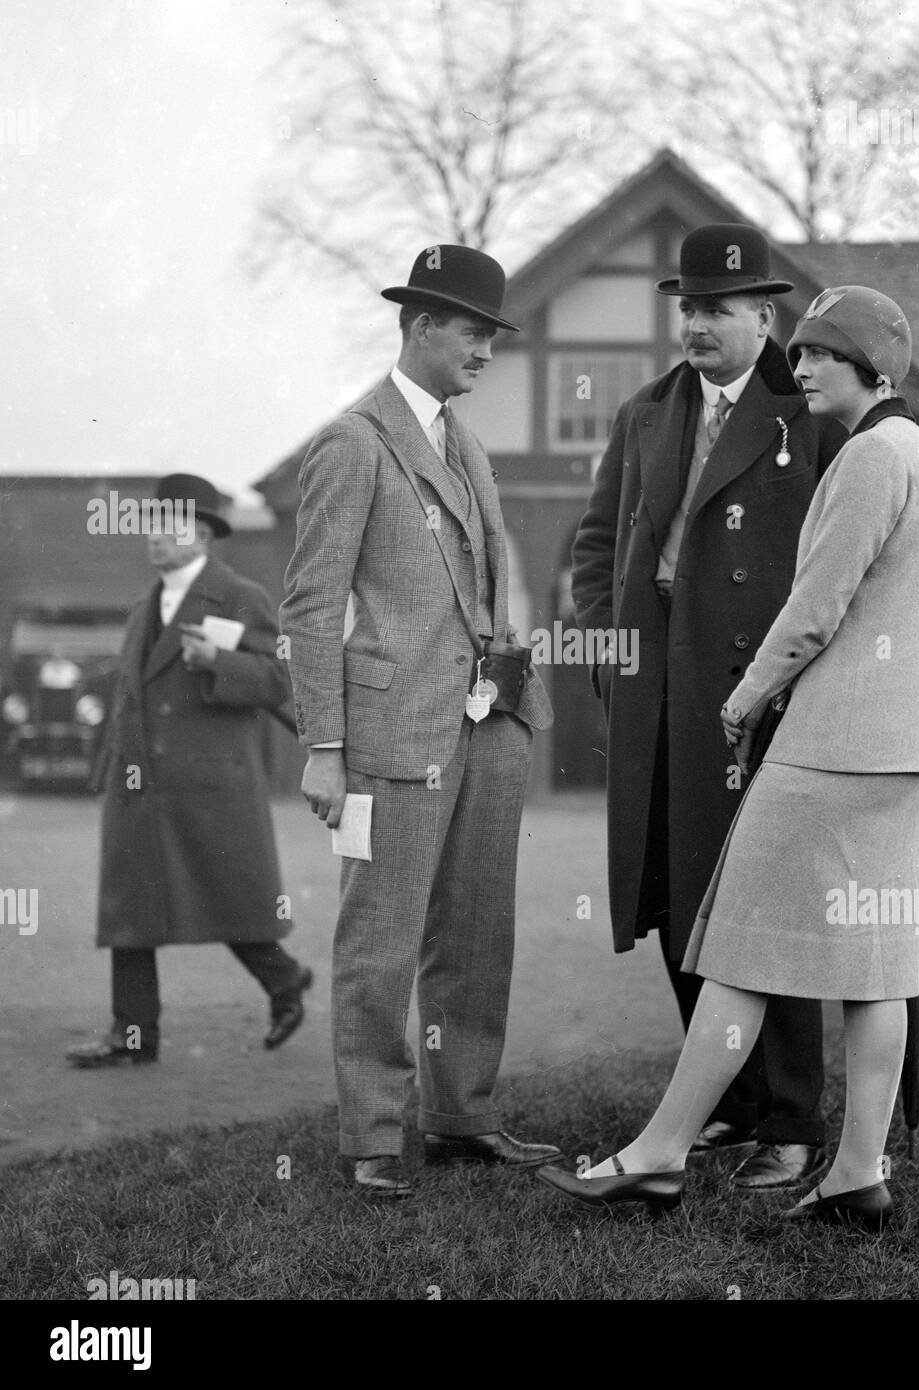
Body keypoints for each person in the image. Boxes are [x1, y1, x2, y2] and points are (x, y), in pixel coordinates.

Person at [541, 286, 919, 1230]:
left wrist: (742, 699)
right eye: (800, 352)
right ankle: (860, 1173)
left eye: (819, 357)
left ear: (873, 370)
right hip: (897, 752)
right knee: (880, 967)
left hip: (825, 749)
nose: (799, 369)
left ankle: (654, 1157)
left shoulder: (866, 460)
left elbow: (815, 608)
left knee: (735, 949)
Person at [571, 224, 846, 1192]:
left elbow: (845, 560)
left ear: (762, 316)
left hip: (759, 699)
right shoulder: (647, 411)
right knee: (680, 898)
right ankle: (726, 1099)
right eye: (687, 308)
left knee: (765, 907)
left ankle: (796, 1122)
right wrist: (609, 655)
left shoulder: (808, 415)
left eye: (716, 308)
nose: (695, 324)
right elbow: (598, 547)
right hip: (659, 696)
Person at [280, 245, 560, 1199]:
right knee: (382, 939)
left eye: (494, 334)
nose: (487, 350)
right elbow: (310, 607)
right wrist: (324, 747)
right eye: (474, 331)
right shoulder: (355, 440)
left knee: (479, 934)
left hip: (487, 728)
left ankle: (460, 1119)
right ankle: (371, 1134)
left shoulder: (462, 441)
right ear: (421, 326)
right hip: (389, 736)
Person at [67, 474, 311, 1068]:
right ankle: (133, 1035)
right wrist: (109, 772)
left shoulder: (238, 594)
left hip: (209, 783)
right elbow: (130, 698)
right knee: (130, 912)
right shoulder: (141, 608)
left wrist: (219, 661)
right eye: (151, 525)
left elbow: (284, 681)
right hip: (140, 783)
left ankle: (285, 983)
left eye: (169, 526)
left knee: (227, 897)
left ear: (202, 534)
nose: (155, 538)